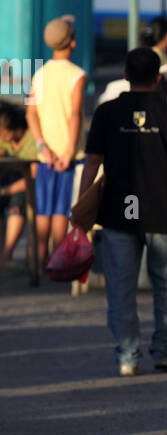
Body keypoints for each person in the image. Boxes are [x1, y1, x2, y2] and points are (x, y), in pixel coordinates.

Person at [78, 47, 167, 376]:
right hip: (161, 210)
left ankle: (127, 356)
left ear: (124, 75)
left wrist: (81, 205)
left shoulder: (107, 113)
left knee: (120, 285)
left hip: (118, 211)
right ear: (158, 78)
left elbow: (91, 161)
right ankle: (163, 351)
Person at [26, 15, 86, 269]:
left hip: (45, 156)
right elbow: (75, 114)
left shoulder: (39, 74)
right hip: (67, 156)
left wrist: (42, 146)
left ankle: (41, 260)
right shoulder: (77, 75)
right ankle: (57, 260)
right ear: (71, 43)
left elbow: (31, 113)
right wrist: (69, 151)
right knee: (61, 208)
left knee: (43, 209)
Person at [0, 102, 38, 261]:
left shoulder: (32, 140)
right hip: (9, 181)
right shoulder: (5, 140)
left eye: (3, 132)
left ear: (17, 129)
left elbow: (34, 175)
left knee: (18, 203)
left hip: (28, 185)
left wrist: (5, 191)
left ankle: (7, 254)